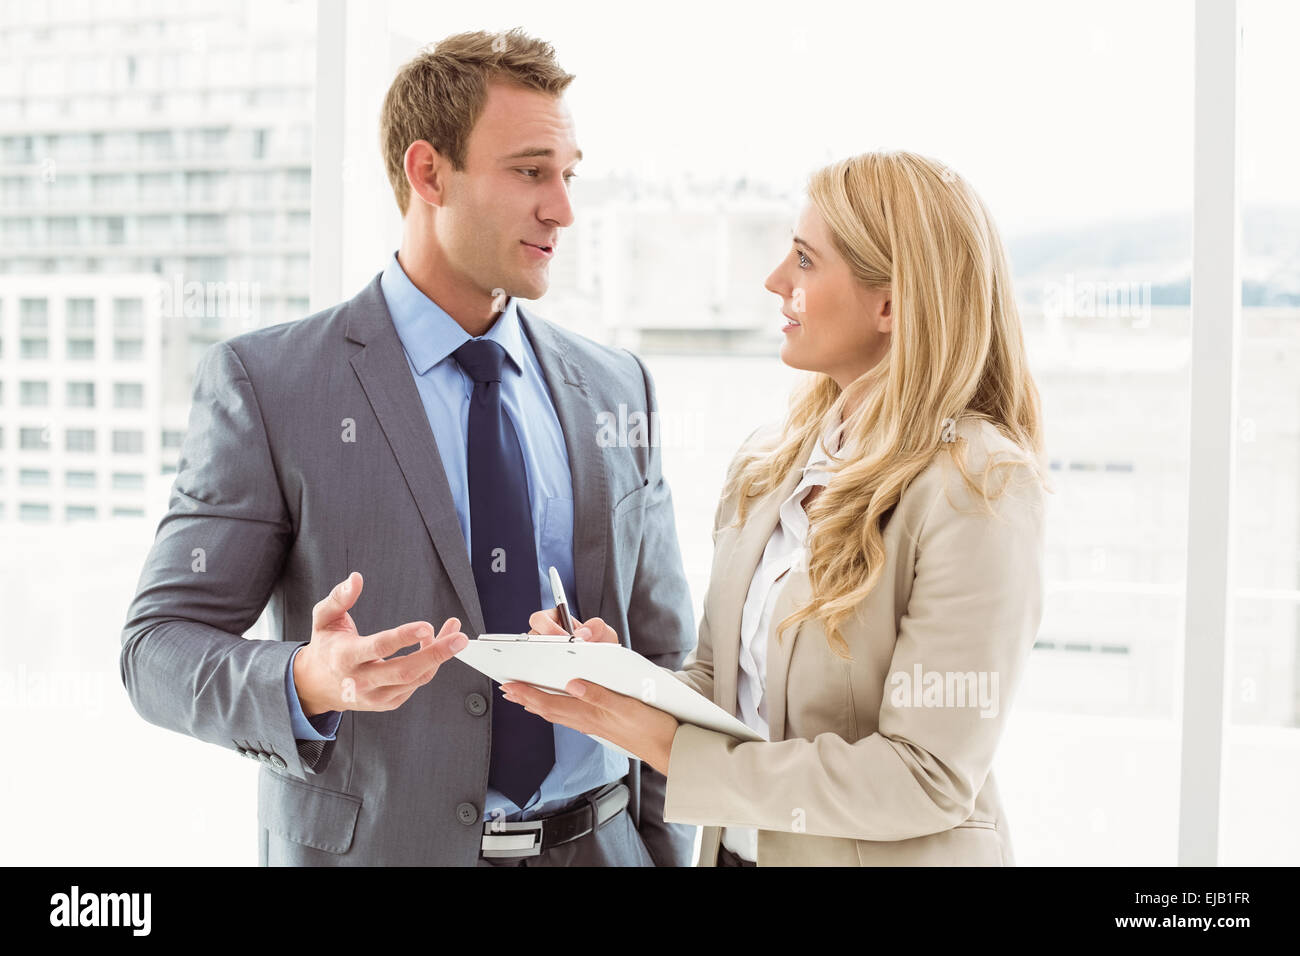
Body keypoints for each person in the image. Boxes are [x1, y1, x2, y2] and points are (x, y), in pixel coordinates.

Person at [119, 28, 697, 867]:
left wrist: (661, 852)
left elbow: (664, 655)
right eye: (530, 171)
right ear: (429, 173)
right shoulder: (271, 384)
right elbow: (156, 648)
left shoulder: (617, 388)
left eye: (568, 175)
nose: (563, 208)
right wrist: (308, 682)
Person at [504, 149, 1050, 866]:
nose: (774, 282)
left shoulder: (978, 486)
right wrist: (621, 679)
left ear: (890, 303)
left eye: (804, 260)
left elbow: (928, 776)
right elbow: (723, 684)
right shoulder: (772, 463)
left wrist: (672, 751)